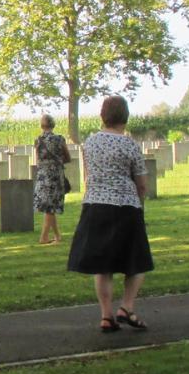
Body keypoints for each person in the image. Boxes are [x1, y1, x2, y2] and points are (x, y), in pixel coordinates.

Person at [66, 95, 153, 333]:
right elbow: (142, 183)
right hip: (125, 206)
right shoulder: (130, 145)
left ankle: (106, 315)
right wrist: (139, 203)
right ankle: (126, 306)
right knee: (136, 262)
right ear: (125, 116)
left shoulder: (90, 143)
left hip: (95, 206)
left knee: (102, 265)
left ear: (103, 115)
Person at [33, 114, 71, 244]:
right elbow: (68, 157)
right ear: (53, 125)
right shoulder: (59, 139)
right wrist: (57, 162)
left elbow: (37, 160)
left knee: (48, 206)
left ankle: (56, 236)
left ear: (42, 126)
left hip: (43, 176)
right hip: (55, 176)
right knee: (51, 207)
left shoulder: (38, 140)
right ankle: (44, 237)